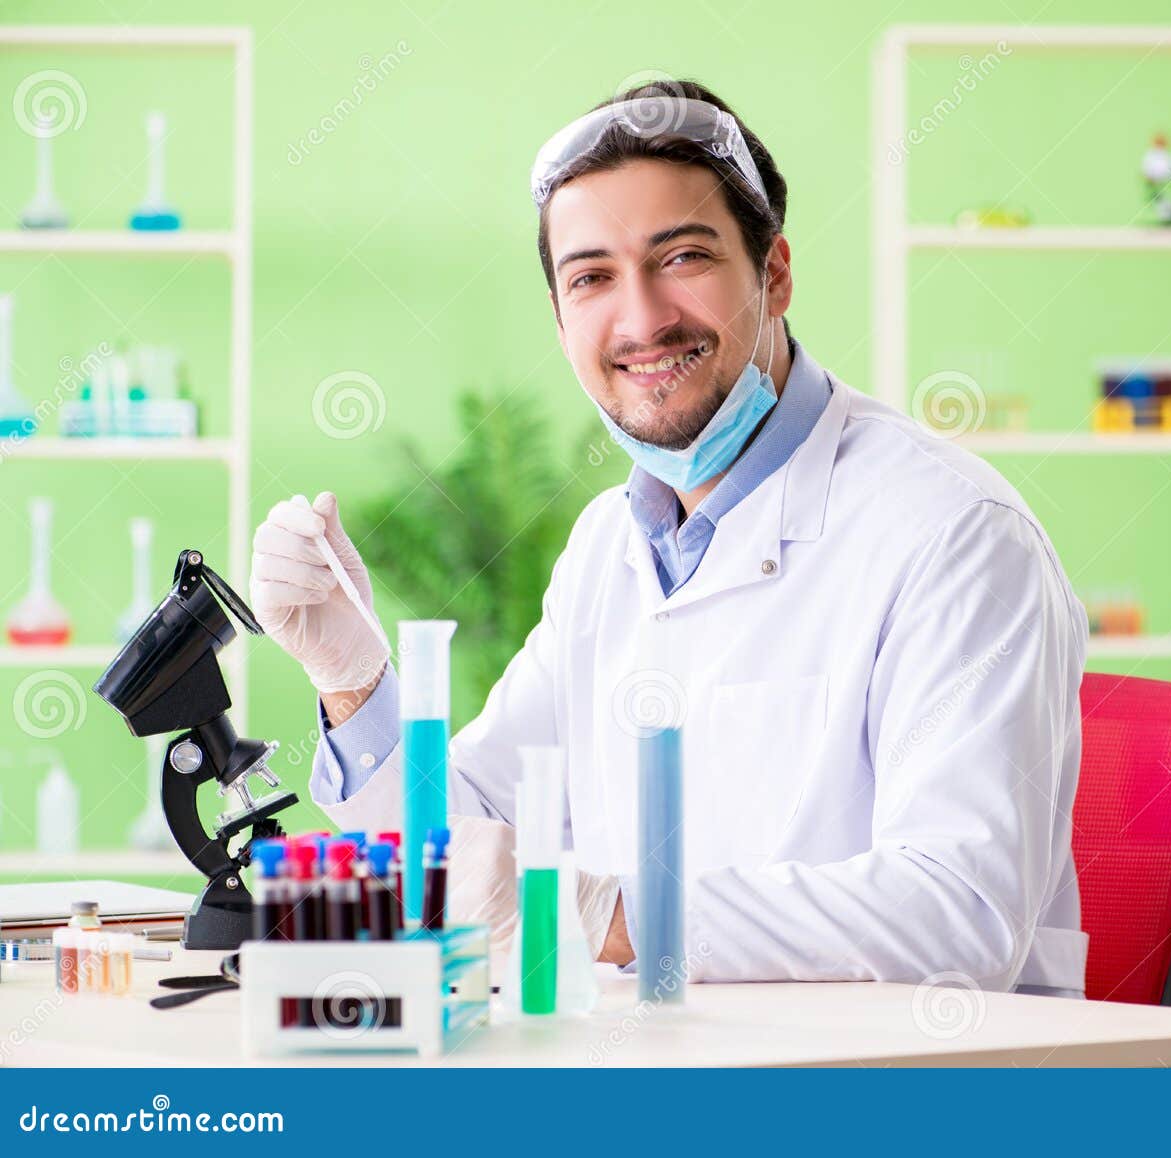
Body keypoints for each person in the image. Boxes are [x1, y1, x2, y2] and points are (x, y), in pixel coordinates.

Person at [249, 80, 1089, 996]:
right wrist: (354, 683)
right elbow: (472, 845)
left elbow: (957, 913)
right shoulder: (610, 543)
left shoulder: (953, 532)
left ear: (773, 274)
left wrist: (610, 914)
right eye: (592, 278)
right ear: (563, 321)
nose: (642, 319)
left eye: (682, 257)